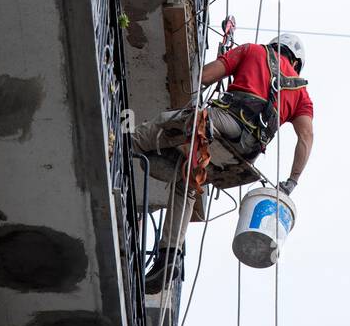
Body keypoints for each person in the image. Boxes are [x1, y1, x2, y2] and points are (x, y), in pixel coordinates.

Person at [133, 34, 314, 293]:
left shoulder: (252, 51)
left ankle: (117, 146)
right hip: (243, 155)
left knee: (162, 124)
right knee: (188, 179)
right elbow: (305, 138)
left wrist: (225, 63)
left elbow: (204, 78)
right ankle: (169, 255)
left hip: (223, 124)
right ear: (296, 63)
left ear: (276, 46)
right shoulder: (302, 93)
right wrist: (291, 181)